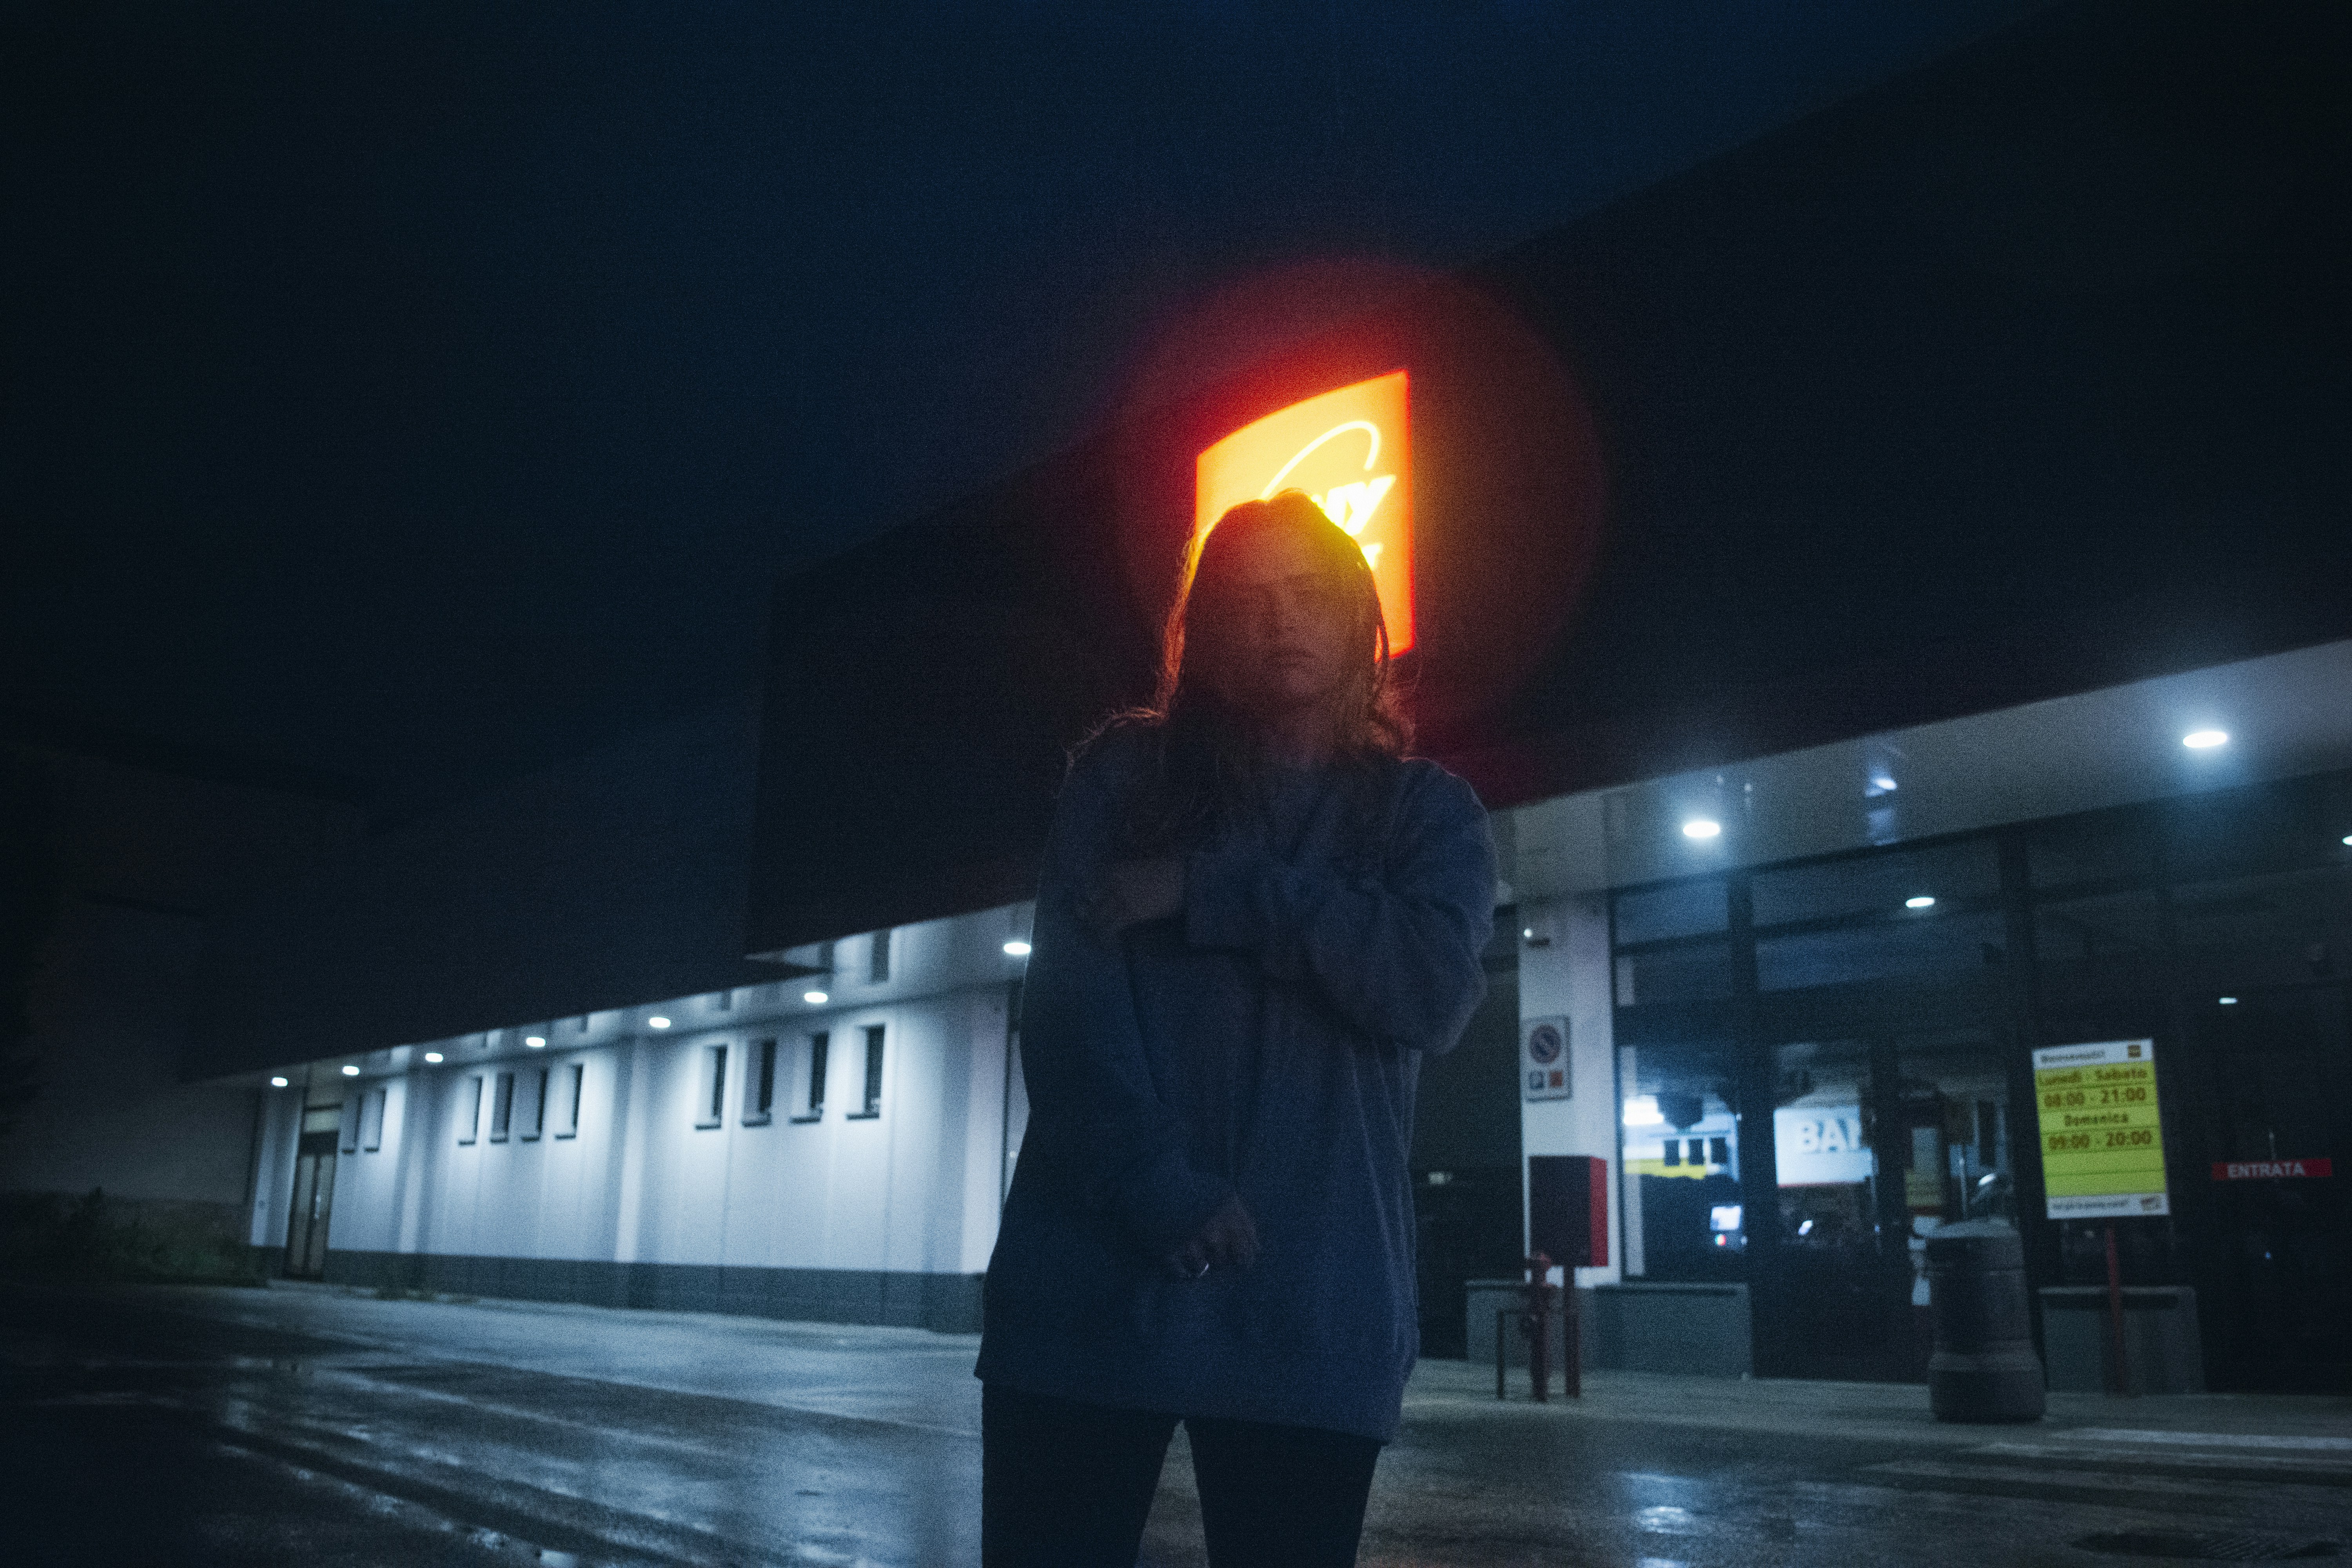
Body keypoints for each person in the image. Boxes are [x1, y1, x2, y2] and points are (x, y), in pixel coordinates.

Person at [975, 490, 1498, 1566]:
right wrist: (1157, 1185)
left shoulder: (1427, 814)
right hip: (1087, 1292)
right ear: (1199, 632)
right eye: (1248, 600)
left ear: (1361, 616)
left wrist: (1216, 891)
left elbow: (1431, 993)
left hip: (1311, 1301)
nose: (1279, 621)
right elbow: (1071, 1013)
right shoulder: (1122, 780)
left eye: (1308, 593)